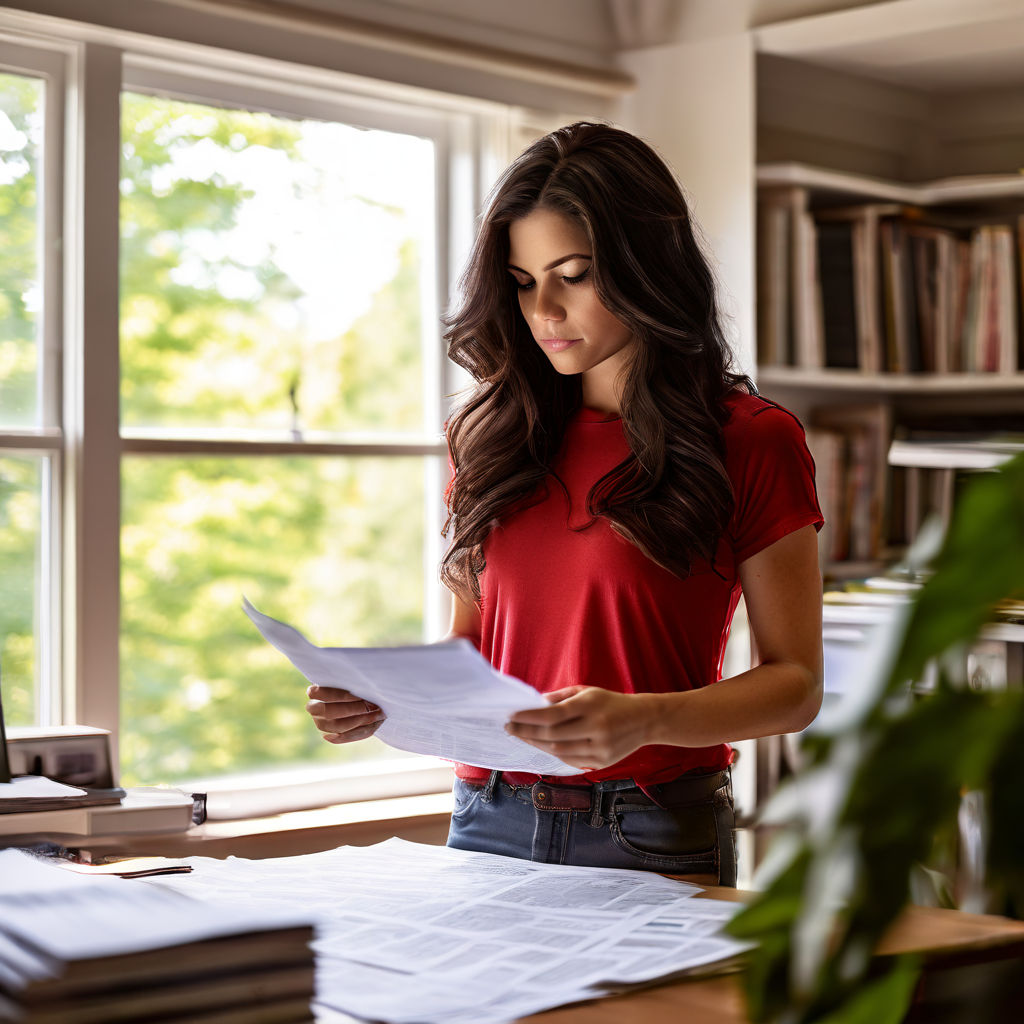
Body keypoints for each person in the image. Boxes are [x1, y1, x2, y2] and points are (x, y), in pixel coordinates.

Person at [305, 122, 824, 886]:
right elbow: (473, 651)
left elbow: (796, 684)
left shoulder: (750, 439)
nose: (543, 308)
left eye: (573, 274)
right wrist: (382, 698)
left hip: (653, 826)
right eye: (521, 282)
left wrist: (644, 717)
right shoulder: (484, 437)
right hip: (486, 815)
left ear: (647, 263)